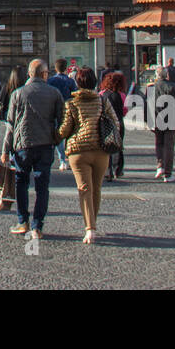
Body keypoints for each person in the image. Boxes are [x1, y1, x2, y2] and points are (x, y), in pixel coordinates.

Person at [0, 59, 64, 239]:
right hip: (45, 145)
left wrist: (5, 150)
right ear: (44, 74)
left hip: (23, 145)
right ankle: (37, 226)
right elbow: (63, 121)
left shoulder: (18, 94)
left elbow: (10, 125)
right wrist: (57, 138)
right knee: (42, 186)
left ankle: (23, 222)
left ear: (29, 74)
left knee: (21, 183)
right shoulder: (55, 93)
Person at [56, 67, 115, 244]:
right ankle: (92, 225)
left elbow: (65, 129)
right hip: (100, 150)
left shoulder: (71, 103)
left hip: (79, 151)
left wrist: (55, 136)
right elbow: (115, 122)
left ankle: (89, 228)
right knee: (96, 189)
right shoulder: (102, 101)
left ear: (78, 83)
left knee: (84, 189)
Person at [149, 65, 175, 182]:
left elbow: (148, 106)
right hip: (171, 119)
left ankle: (160, 166)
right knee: (169, 146)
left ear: (156, 76)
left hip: (156, 118)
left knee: (159, 144)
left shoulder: (152, 88)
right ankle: (168, 173)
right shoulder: (174, 87)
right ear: (167, 75)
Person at [47, 59, 76, 171]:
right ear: (66, 68)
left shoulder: (50, 81)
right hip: (68, 110)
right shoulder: (70, 82)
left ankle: (62, 160)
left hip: (54, 110)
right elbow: (74, 96)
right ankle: (69, 156)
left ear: (55, 68)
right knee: (69, 133)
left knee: (57, 134)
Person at [99, 71, 127, 180]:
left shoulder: (101, 94)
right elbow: (125, 110)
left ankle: (107, 170)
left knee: (106, 147)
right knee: (118, 146)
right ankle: (118, 169)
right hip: (119, 122)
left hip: (105, 123)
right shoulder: (121, 95)